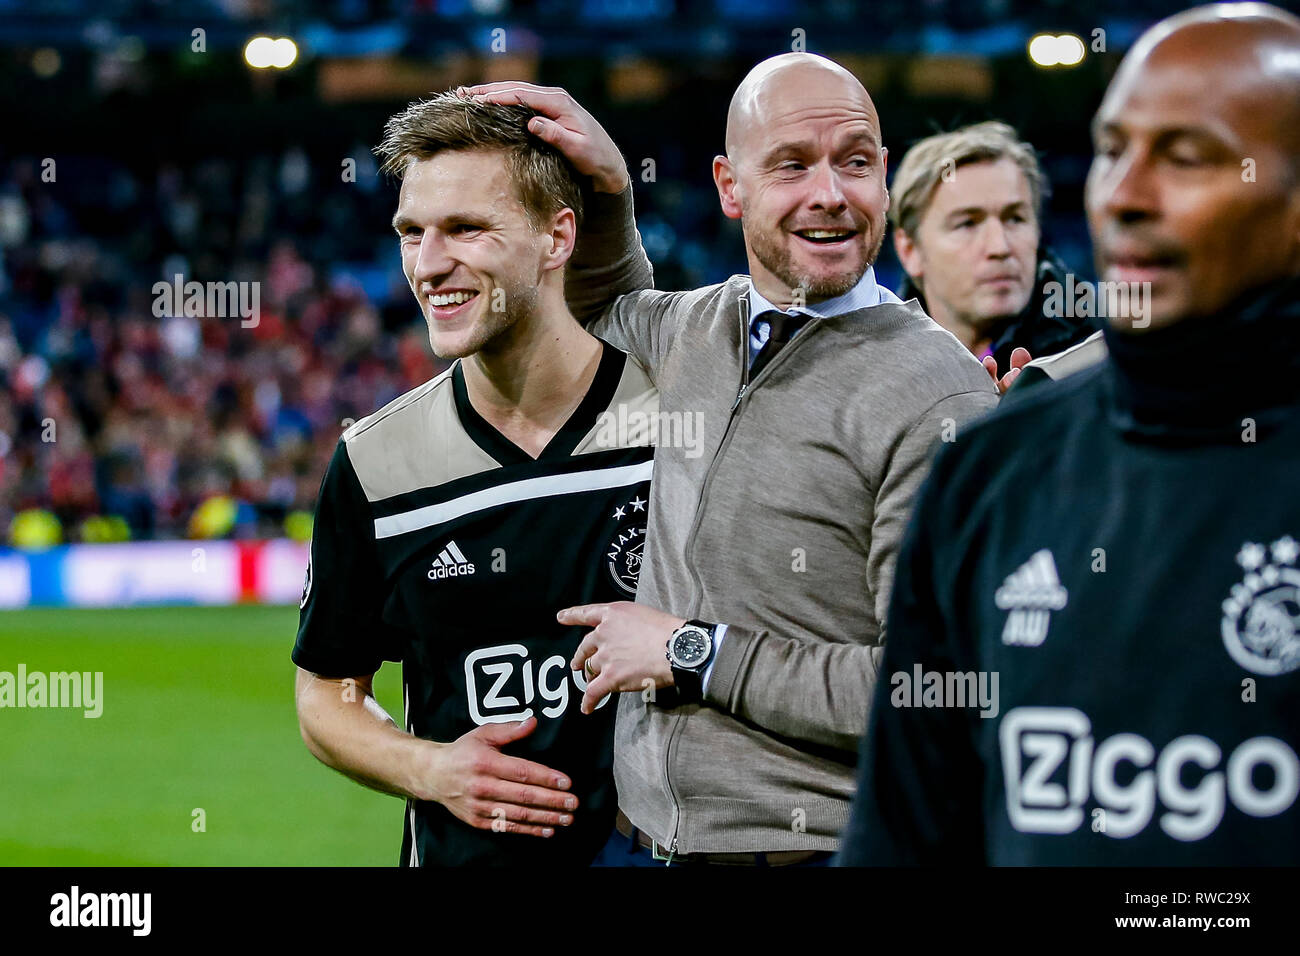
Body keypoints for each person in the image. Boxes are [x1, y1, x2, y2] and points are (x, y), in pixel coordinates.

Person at [466, 53, 1000, 865]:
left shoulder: (938, 396)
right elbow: (598, 305)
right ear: (729, 186)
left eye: (855, 162)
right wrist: (610, 191)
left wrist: (690, 651)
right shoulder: (696, 328)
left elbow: (931, 689)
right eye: (791, 166)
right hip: (639, 842)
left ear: (884, 177)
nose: (830, 194)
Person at [839, 2, 1300, 865]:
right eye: (1114, 150)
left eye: (1187, 157)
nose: (1124, 196)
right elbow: (904, 837)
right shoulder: (989, 473)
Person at [291, 92, 658, 866]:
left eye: (466, 229)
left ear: (558, 236)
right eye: (411, 233)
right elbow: (328, 695)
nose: (429, 265)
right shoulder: (375, 463)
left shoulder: (676, 416)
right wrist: (432, 769)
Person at [891, 121, 1093, 379]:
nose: (1000, 247)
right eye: (967, 224)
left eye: (1015, 219)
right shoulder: (878, 372)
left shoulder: (1099, 358)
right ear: (910, 250)